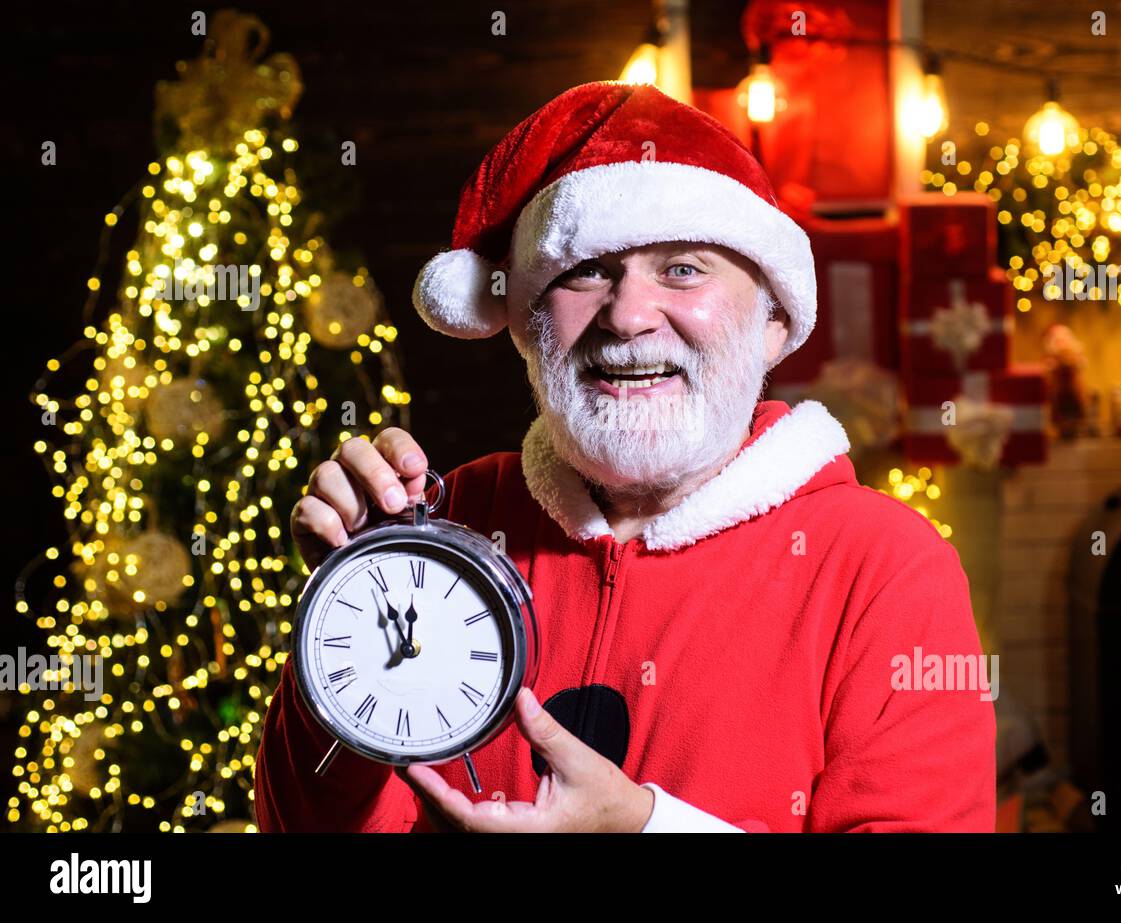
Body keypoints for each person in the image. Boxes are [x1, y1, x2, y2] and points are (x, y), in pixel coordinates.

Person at [255, 81, 995, 833]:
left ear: (774, 319)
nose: (629, 315)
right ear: (524, 323)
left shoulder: (885, 566)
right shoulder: (450, 525)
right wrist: (341, 628)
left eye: (682, 268)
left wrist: (641, 827)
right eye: (585, 270)